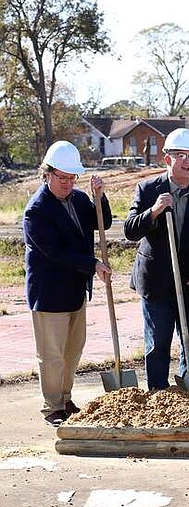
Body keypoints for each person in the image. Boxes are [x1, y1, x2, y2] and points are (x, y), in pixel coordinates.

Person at [23, 141, 112, 426]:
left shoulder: (80, 199)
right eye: (62, 177)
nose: (68, 183)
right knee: (52, 355)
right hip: (49, 293)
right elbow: (56, 253)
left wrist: (100, 198)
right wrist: (93, 264)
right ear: (47, 173)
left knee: (73, 350)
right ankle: (52, 407)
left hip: (75, 290)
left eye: (72, 178)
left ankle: (65, 397)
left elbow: (103, 223)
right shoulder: (37, 210)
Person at [124, 128, 189, 390]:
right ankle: (158, 393)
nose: (187, 161)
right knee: (157, 344)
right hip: (156, 282)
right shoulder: (147, 189)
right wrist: (154, 211)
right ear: (167, 159)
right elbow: (130, 230)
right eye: (180, 155)